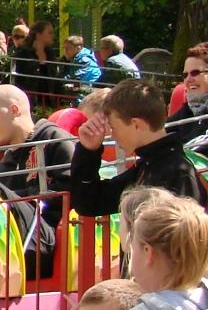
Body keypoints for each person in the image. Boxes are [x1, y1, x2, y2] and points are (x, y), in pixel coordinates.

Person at [69, 79, 208, 216]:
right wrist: (88, 150)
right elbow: (88, 203)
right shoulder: (149, 165)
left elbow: (186, 236)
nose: (113, 136)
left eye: (113, 127)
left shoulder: (177, 172)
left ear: (136, 124)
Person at [0, 84, 74, 278]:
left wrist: (15, 197)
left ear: (14, 110)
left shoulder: (54, 139)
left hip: (44, 237)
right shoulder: (8, 158)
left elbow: (70, 189)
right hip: (12, 237)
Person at [10, 21, 63, 106]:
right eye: (50, 33)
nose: (53, 36)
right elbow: (26, 78)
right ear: (38, 35)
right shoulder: (23, 52)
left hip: (47, 99)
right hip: (28, 99)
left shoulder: (50, 52)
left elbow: (53, 76)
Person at [166, 43, 208, 144]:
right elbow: (158, 133)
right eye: (185, 75)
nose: (188, 79)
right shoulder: (187, 110)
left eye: (195, 73)